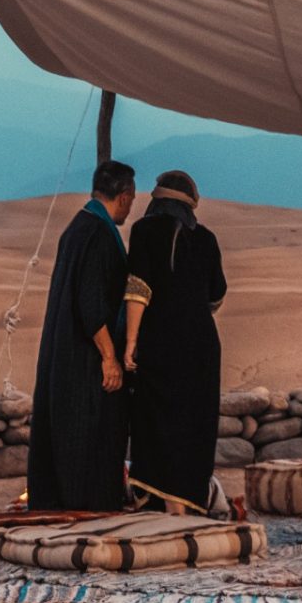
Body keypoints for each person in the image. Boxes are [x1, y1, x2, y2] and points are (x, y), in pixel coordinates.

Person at [26, 160, 136, 511]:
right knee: (89, 442)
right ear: (124, 196)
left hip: (65, 360)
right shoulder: (98, 234)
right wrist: (109, 358)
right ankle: (88, 513)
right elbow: (90, 304)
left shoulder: (77, 228)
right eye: (132, 199)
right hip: (85, 365)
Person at [123, 169, 227, 514]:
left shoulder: (144, 231)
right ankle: (183, 504)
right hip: (201, 346)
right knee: (192, 423)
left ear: (157, 201)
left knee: (158, 420)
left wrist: (130, 341)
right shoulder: (207, 239)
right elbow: (217, 295)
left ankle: (169, 507)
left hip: (161, 343)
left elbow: (138, 289)